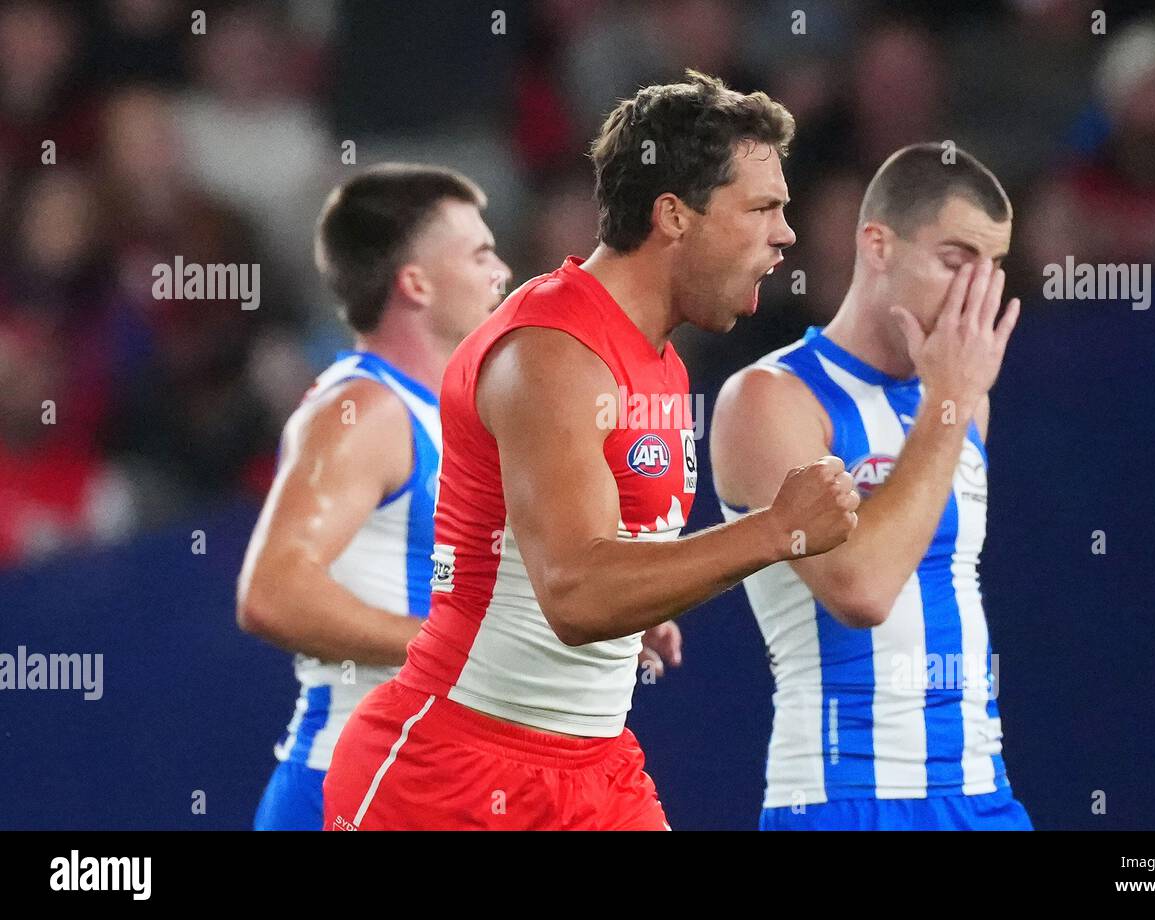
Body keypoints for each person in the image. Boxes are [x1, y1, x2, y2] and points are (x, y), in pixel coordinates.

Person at [322, 71, 859, 831]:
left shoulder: (661, 361)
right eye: (764, 207)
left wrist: (641, 600)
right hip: (449, 779)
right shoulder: (551, 351)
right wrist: (778, 529)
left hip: (594, 771)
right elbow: (575, 595)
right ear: (675, 215)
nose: (786, 235)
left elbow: (587, 558)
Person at [711, 143, 1032, 830]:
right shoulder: (771, 399)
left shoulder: (967, 402)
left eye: (994, 268)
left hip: (982, 792)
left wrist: (950, 401)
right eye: (955, 260)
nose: (978, 294)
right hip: (844, 800)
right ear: (878, 245)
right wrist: (947, 401)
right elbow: (861, 590)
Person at [236, 164, 509, 830]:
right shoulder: (364, 410)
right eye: (479, 254)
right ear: (415, 283)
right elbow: (272, 592)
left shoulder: (463, 414)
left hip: (444, 787)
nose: (501, 271)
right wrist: (457, 649)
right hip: (356, 789)